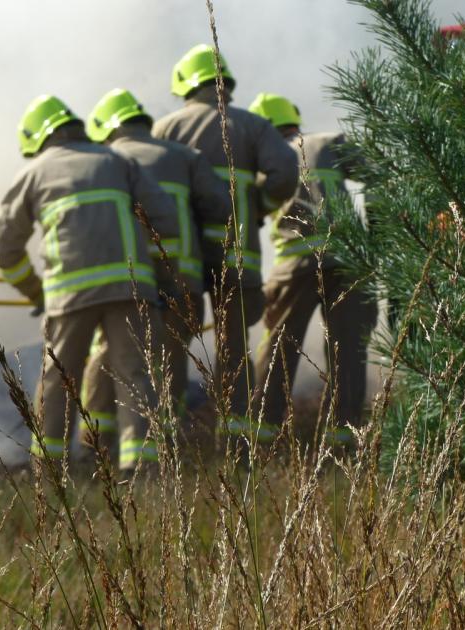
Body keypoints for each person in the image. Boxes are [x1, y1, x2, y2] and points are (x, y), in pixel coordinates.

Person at [0, 95, 180, 473]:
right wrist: (159, 275)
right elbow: (166, 219)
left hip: (68, 296)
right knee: (135, 376)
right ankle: (142, 474)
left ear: (36, 137)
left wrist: (35, 290)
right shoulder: (117, 161)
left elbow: (4, 248)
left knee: (59, 380)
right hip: (130, 290)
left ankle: (50, 473)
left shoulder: (34, 173)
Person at [152, 45, 298, 445]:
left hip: (180, 256)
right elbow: (285, 172)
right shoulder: (253, 125)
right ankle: (236, 439)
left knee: (174, 339)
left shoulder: (165, 129)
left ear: (184, 83)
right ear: (227, 83)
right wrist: (257, 208)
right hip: (236, 254)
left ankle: (169, 434)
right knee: (234, 345)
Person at [79, 88, 231, 455]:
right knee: (172, 359)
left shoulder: (104, 161)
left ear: (106, 129)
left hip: (127, 281)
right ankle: (164, 444)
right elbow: (221, 208)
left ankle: (94, 445)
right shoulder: (186, 158)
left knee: (109, 356)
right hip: (185, 282)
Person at [247, 92, 378, 447]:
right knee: (349, 353)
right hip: (348, 262)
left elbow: (248, 217)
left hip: (293, 267)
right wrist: (377, 243)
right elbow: (380, 176)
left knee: (277, 351)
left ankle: (261, 439)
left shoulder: (260, 162)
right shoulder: (330, 142)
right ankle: (342, 442)